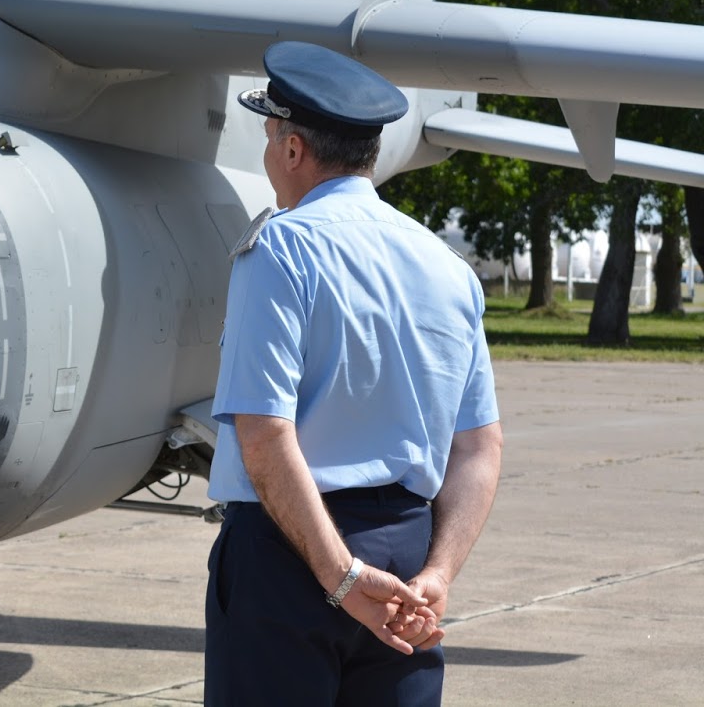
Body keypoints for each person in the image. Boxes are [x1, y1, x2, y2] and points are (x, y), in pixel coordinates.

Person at [204, 41, 503, 706]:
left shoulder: (283, 248)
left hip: (290, 555)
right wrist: (438, 573)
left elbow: (263, 432)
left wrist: (340, 578)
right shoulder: (446, 268)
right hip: (405, 558)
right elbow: (480, 446)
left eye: (269, 138)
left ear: (291, 150)